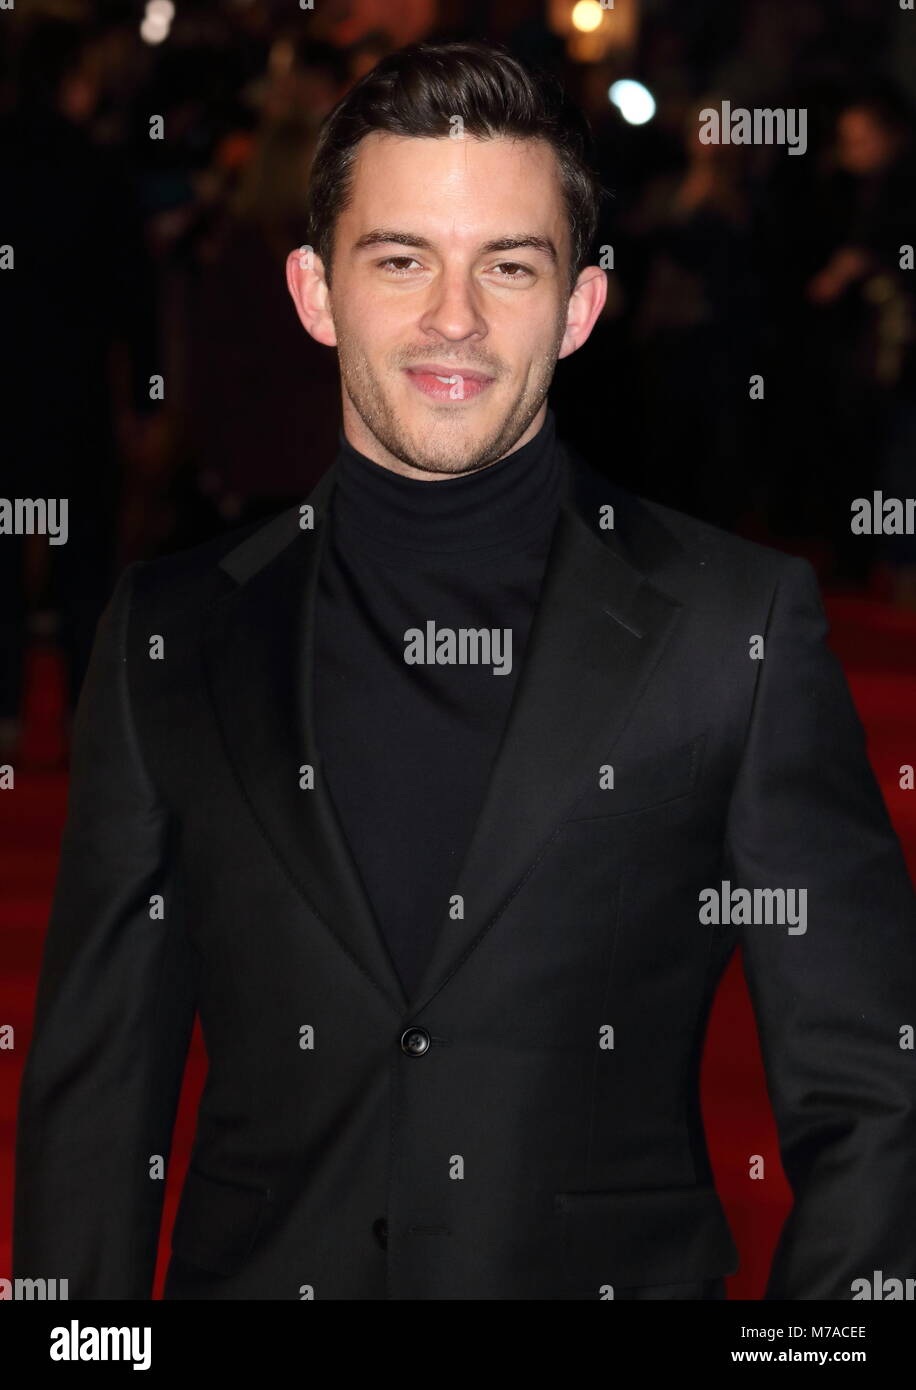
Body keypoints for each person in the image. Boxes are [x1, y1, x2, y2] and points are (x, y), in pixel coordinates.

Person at [13, 40, 916, 1301]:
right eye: (400, 261)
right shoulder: (168, 634)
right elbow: (96, 1107)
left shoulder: (735, 628)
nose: (454, 318)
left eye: (508, 265)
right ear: (316, 292)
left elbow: (877, 1098)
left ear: (581, 305)